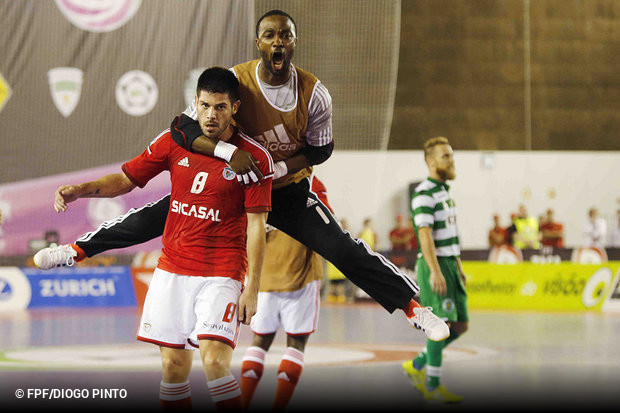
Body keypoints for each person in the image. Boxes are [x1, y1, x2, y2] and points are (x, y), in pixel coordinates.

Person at [34, 10, 448, 342]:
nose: (278, 42)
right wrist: (231, 153)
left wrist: (274, 166)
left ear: (294, 42)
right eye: (270, 35)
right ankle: (75, 251)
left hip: (284, 190)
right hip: (227, 186)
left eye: (285, 35)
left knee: (342, 248)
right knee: (147, 218)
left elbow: (321, 149)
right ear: (259, 42)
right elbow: (184, 128)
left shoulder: (314, 93)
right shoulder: (237, 83)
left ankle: (416, 309)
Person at [41, 68, 275, 410]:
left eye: (221, 107)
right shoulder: (174, 141)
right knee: (172, 367)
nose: (212, 115)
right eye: (206, 105)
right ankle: (75, 250)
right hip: (173, 269)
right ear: (195, 102)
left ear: (235, 107)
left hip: (221, 271)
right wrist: (81, 190)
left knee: (214, 362)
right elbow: (126, 178)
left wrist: (252, 288)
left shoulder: (254, 158)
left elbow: (257, 226)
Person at [240, 174, 329, 410]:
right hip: (300, 273)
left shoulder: (257, 180)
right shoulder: (311, 182)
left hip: (264, 276)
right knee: (296, 344)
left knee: (259, 341)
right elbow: (326, 225)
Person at [402, 136, 468, 403]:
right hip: (436, 265)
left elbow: (450, 234)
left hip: (451, 264)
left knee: (460, 326)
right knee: (440, 323)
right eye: (446, 156)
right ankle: (432, 385)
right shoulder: (424, 194)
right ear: (431, 163)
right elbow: (425, 235)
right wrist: (435, 270)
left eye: (451, 155)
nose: (452, 160)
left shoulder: (444, 193)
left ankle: (416, 364)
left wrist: (458, 265)